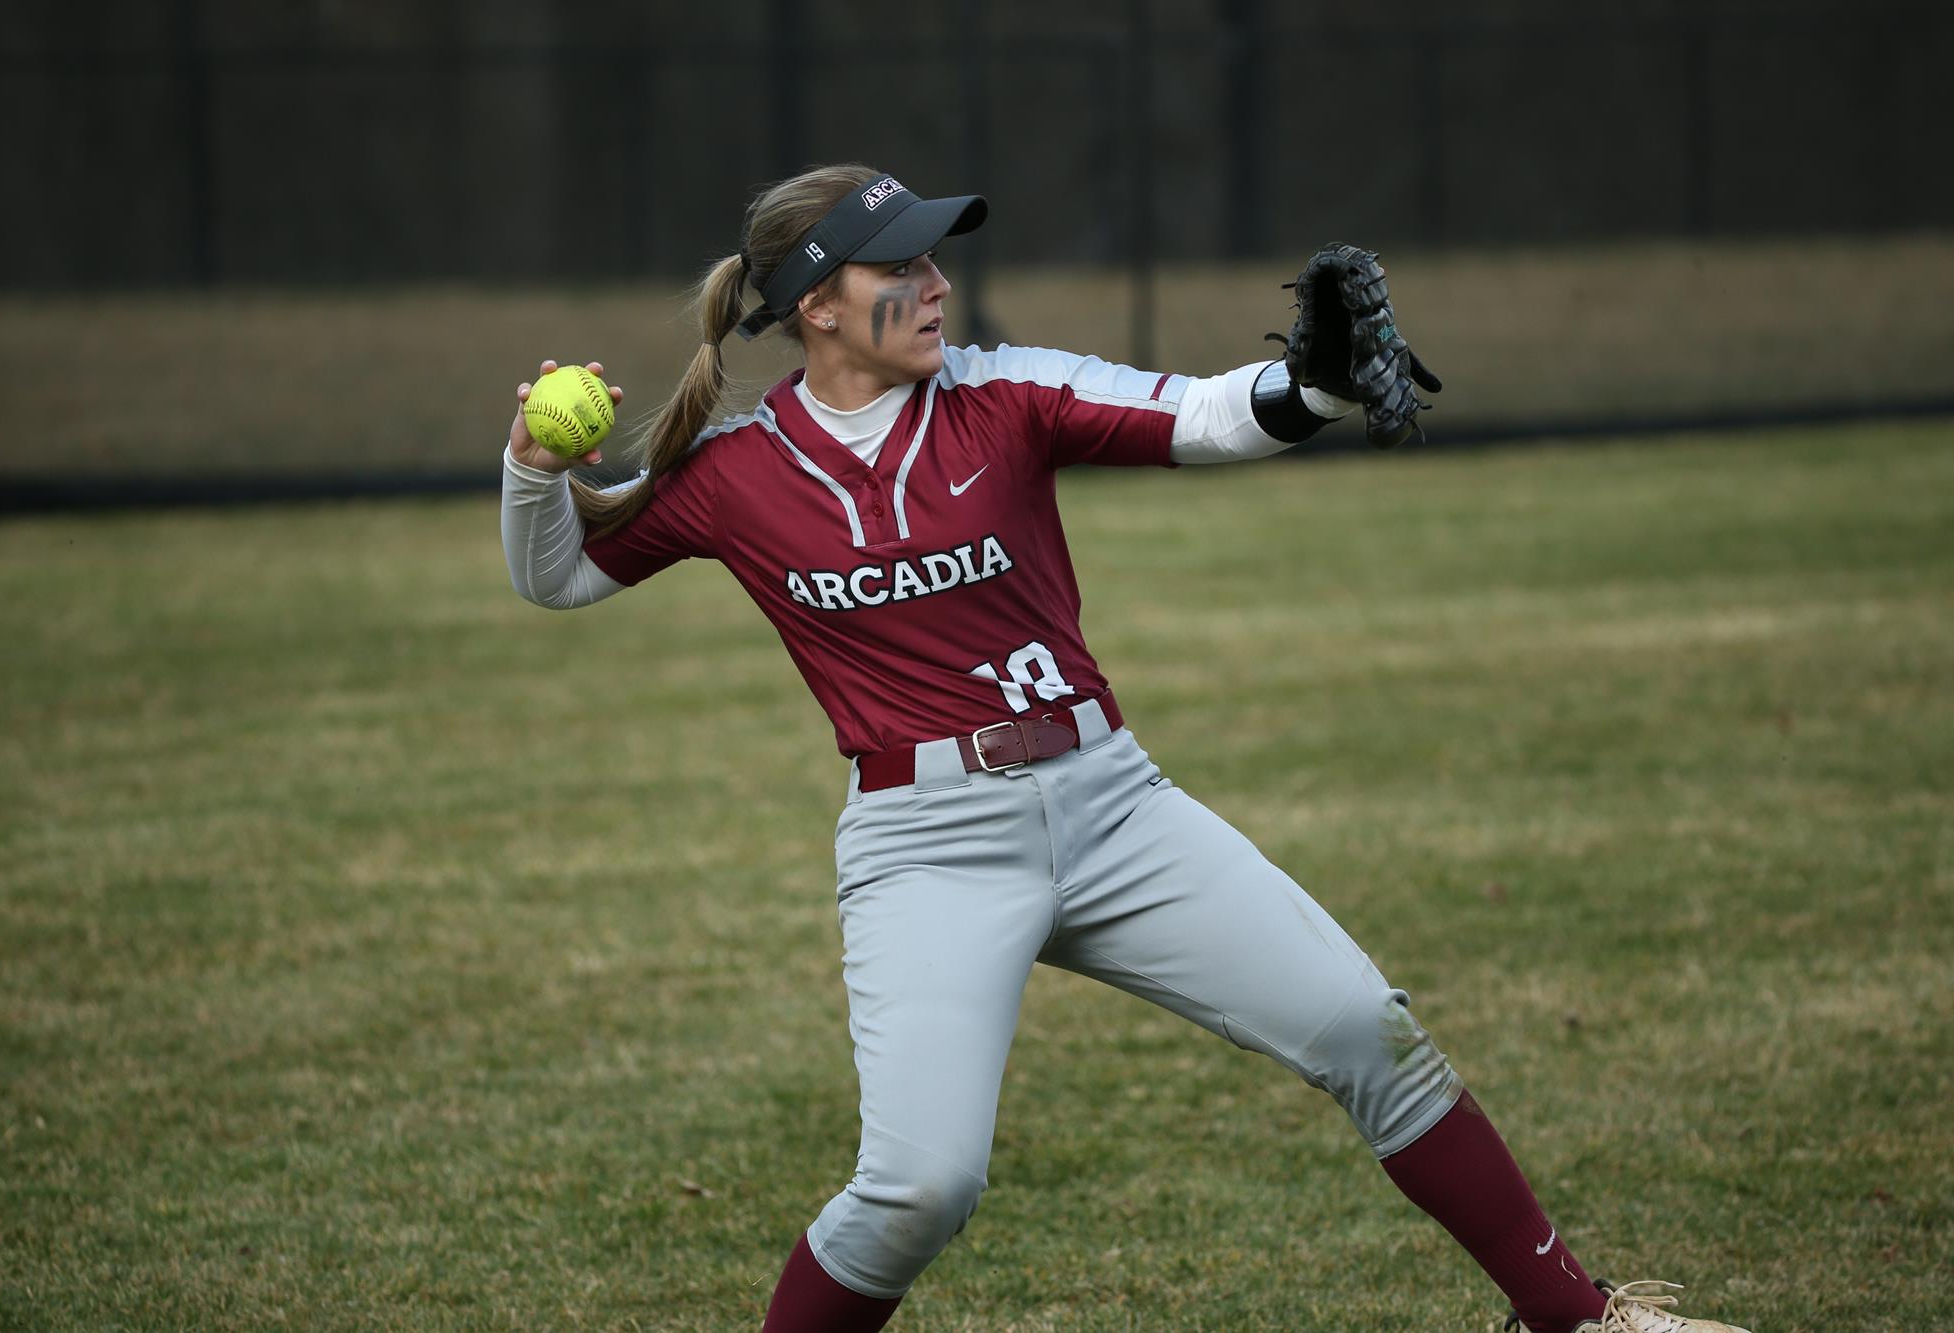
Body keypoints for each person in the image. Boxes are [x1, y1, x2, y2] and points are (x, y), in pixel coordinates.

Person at [499, 164, 1749, 1333]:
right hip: (924, 848)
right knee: (918, 1186)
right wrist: (532, 468)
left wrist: (1308, 386)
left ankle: (1584, 1320)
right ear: (815, 306)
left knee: (1365, 1028)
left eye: (936, 258)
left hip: (1109, 806)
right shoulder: (735, 474)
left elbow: (1203, 415)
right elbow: (556, 577)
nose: (936, 284)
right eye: (899, 266)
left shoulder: (1000, 394)